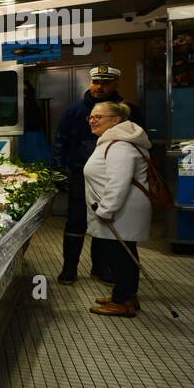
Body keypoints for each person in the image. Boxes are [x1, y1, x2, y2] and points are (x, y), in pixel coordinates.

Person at [52, 65, 143, 283]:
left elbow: (138, 138)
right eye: (96, 82)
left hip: (113, 176)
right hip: (79, 175)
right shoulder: (74, 111)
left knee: (105, 222)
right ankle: (69, 268)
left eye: (105, 83)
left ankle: (101, 268)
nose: (99, 87)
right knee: (75, 223)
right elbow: (60, 141)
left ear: (115, 84)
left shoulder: (126, 110)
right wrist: (58, 169)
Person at [83, 101, 152, 317]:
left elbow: (118, 182)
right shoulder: (113, 141)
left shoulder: (120, 145)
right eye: (91, 117)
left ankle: (122, 301)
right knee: (124, 253)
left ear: (115, 120)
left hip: (120, 211)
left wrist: (106, 210)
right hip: (119, 210)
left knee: (120, 255)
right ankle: (125, 295)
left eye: (99, 116)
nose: (92, 120)